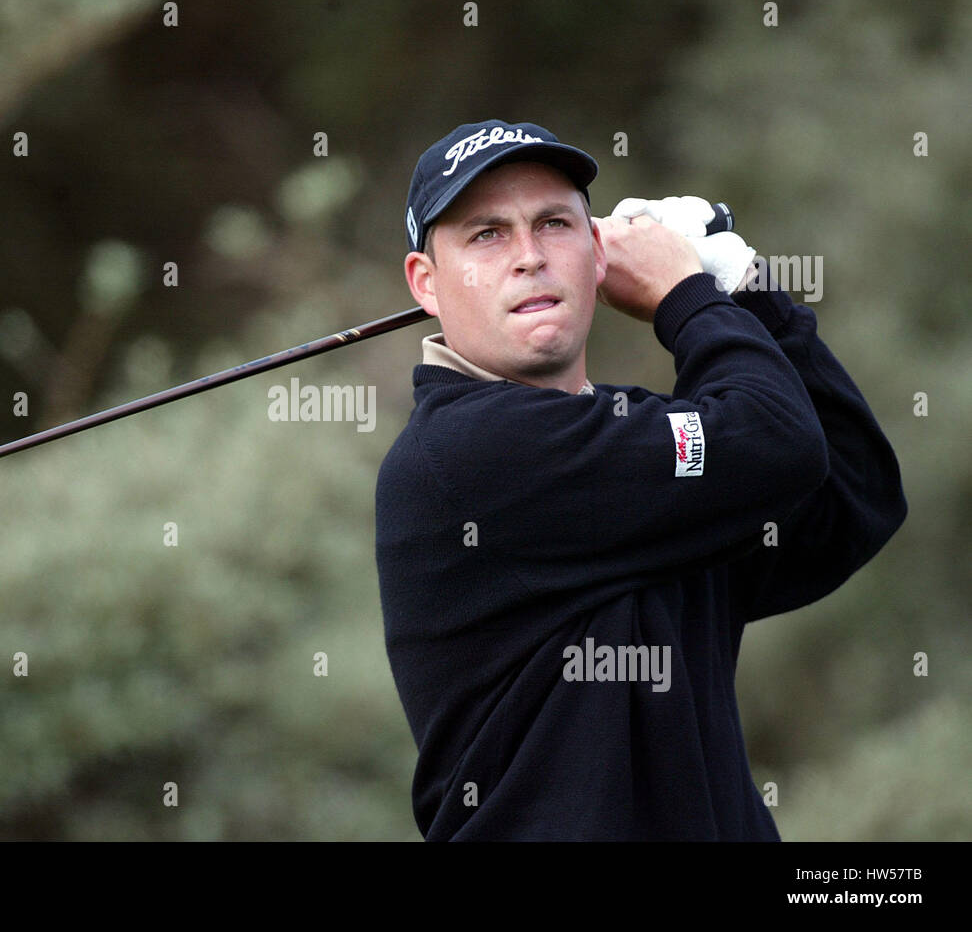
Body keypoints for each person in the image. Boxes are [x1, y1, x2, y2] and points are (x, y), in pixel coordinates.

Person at [374, 119, 908, 840]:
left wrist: (743, 285)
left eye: (554, 223)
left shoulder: (631, 445)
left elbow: (855, 495)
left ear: (596, 252)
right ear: (425, 283)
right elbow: (773, 440)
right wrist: (689, 294)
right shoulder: (463, 454)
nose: (529, 256)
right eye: (487, 234)